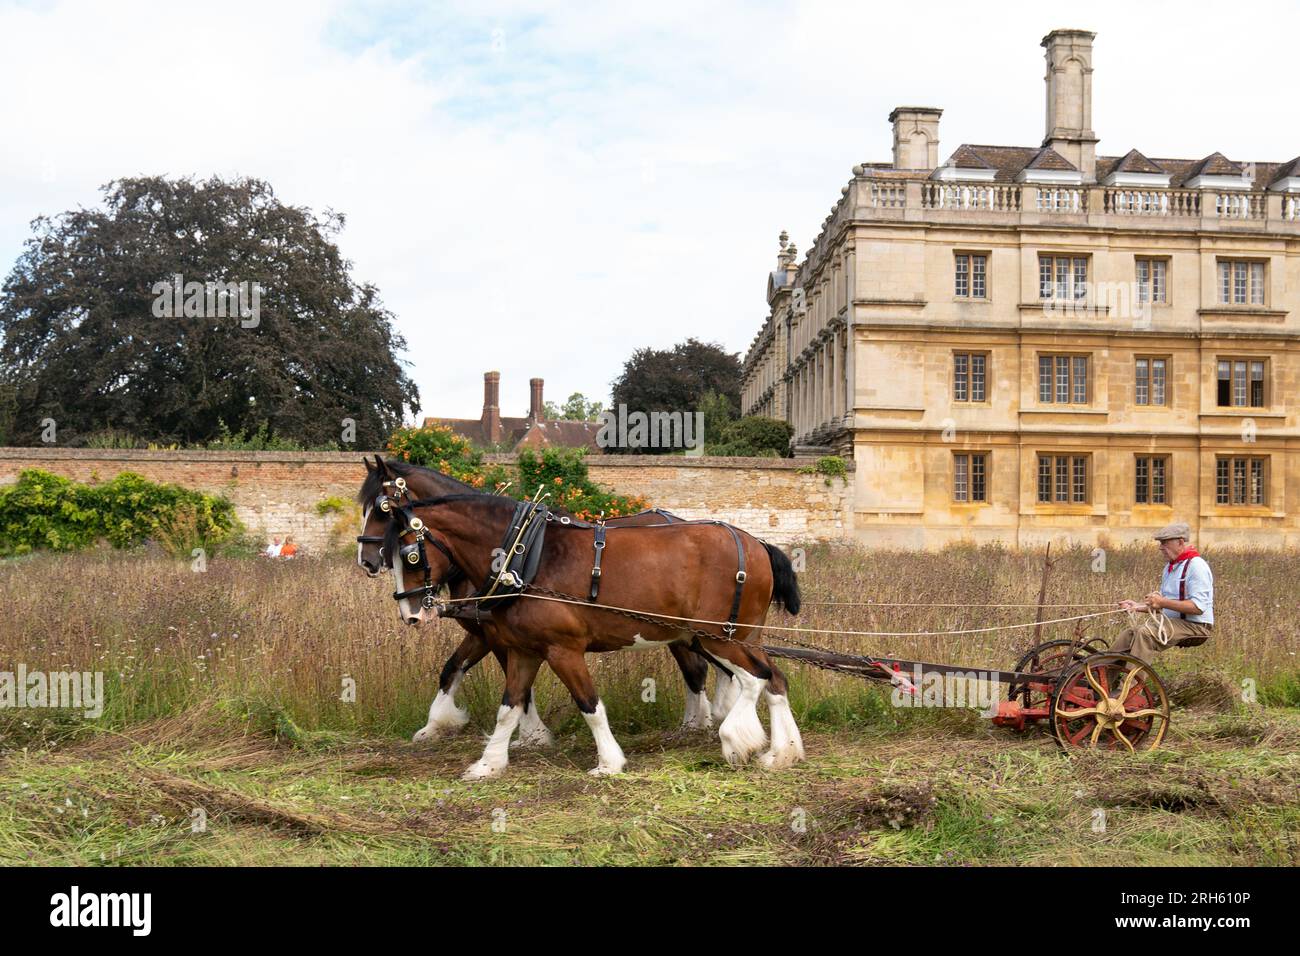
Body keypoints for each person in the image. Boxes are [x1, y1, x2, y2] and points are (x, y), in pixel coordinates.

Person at [1114, 522, 1213, 664]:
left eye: (1165, 543)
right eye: (1160, 543)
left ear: (1180, 542)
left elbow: (1198, 607)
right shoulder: (1170, 567)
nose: (1160, 547)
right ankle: (1101, 679)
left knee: (1145, 634)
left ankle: (1131, 685)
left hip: (1196, 626)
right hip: (1174, 622)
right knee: (1129, 634)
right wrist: (1136, 606)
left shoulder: (1197, 566)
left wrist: (1161, 602)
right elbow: (1162, 605)